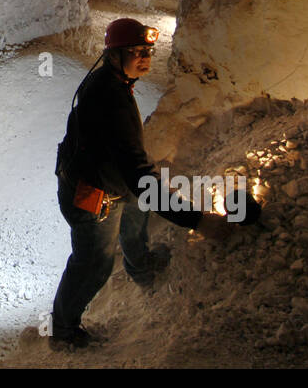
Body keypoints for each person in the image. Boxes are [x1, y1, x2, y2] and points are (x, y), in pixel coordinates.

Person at [50, 17, 232, 349]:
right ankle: (63, 331)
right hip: (92, 196)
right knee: (94, 263)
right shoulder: (110, 97)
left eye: (147, 51)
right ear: (114, 56)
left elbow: (131, 170)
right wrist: (198, 221)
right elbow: (137, 174)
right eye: (135, 51)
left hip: (112, 183)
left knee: (135, 215)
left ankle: (142, 268)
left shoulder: (112, 83)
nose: (144, 57)